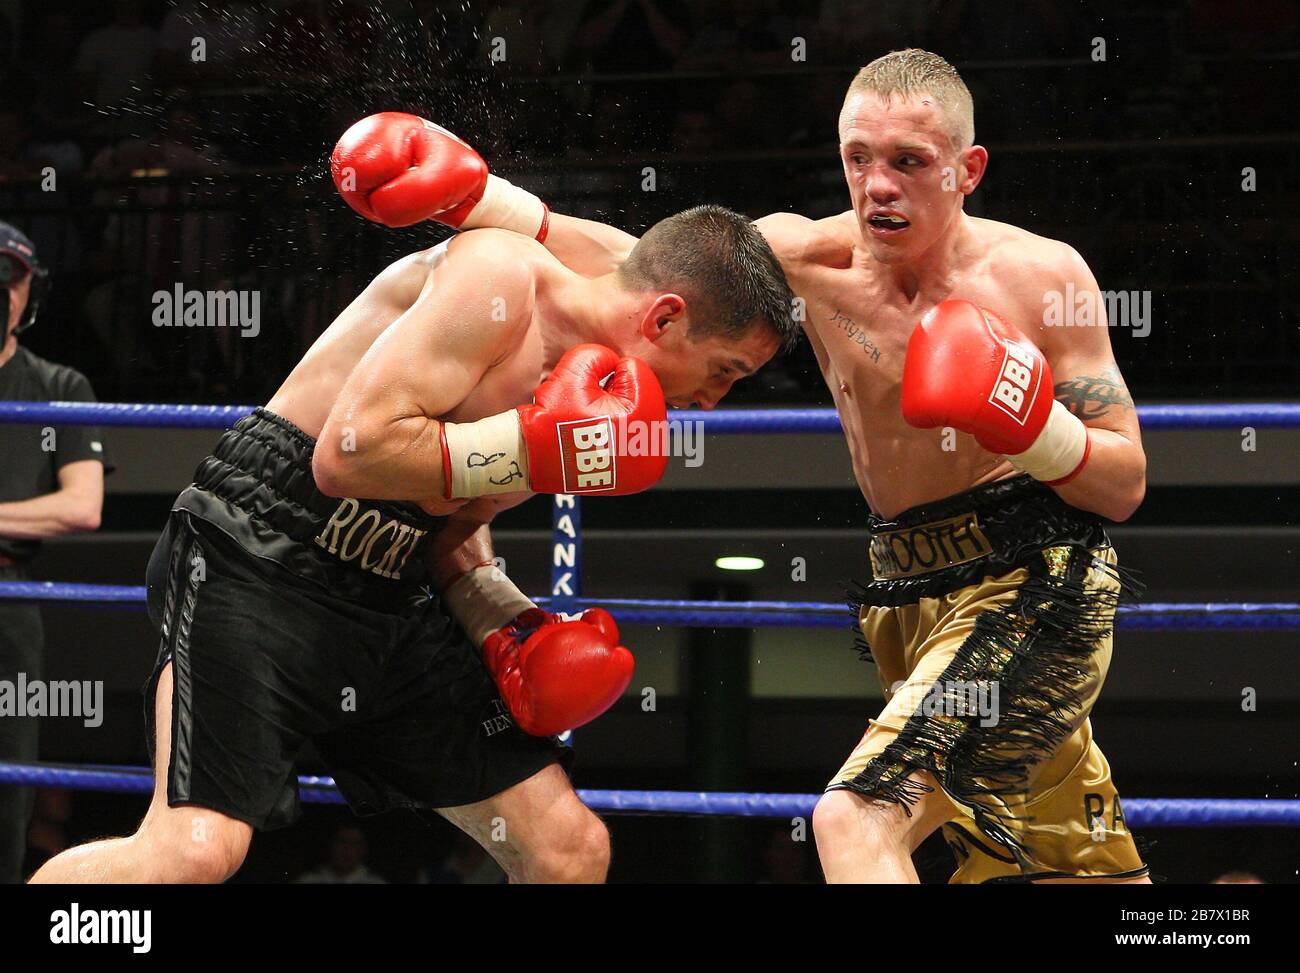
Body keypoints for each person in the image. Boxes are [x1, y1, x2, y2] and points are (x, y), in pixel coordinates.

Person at [373, 48, 1150, 884]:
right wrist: (482, 197)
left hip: (1035, 582)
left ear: (969, 169)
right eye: (858, 158)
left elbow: (1123, 480)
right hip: (905, 596)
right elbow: (647, 270)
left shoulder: (1043, 278)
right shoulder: (807, 259)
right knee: (1068, 869)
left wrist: (1036, 426)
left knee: (855, 820)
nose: (877, 184)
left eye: (909, 163)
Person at [29, 148, 796, 882]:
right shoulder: (499, 281)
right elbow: (349, 455)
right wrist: (525, 450)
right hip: (260, 553)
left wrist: (505, 620)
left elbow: (448, 522)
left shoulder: (603, 385)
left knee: (568, 848)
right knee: (191, 855)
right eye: (723, 370)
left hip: (389, 592)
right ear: (663, 319)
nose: (711, 401)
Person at [0, 221, 111, 883]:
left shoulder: (58, 384)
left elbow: (83, 506)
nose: (0, 292)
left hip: (8, 599)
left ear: (29, 293)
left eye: (10, 279)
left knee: (10, 775)